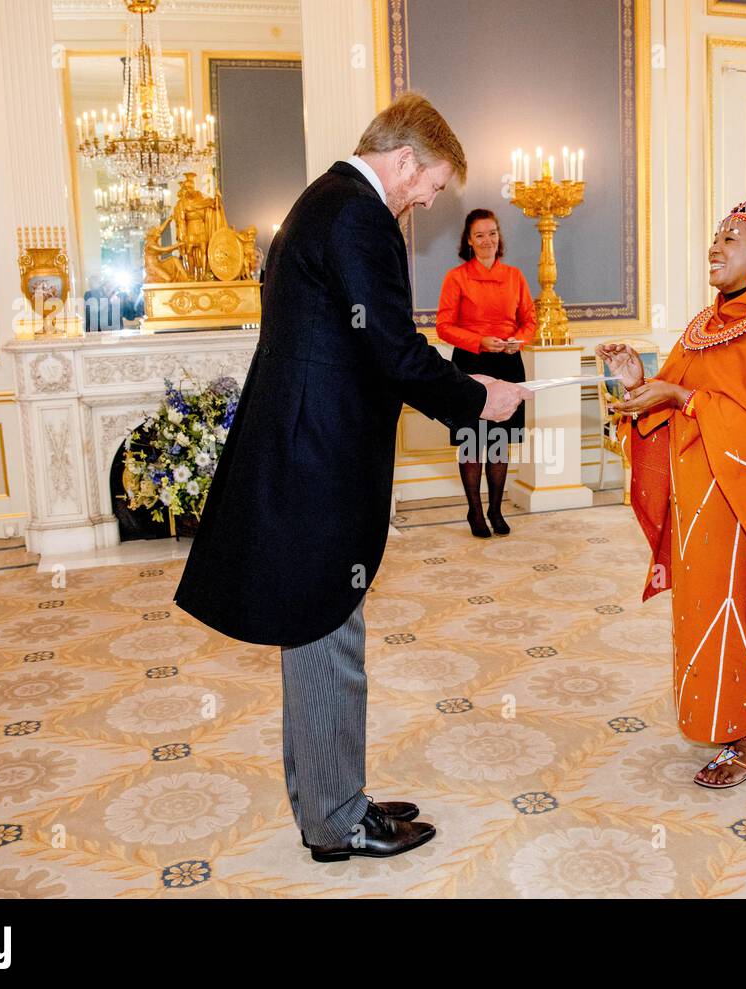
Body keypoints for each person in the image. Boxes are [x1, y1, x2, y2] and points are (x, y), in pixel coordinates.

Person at [173, 93, 530, 861]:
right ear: (404, 160)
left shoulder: (323, 201)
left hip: (304, 449)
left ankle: (329, 800)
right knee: (329, 632)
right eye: (432, 183)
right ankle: (339, 820)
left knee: (313, 632)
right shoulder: (359, 218)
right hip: (319, 462)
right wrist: (480, 396)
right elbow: (393, 353)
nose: (431, 200)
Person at [597, 200, 746, 790]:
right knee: (709, 605)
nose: (716, 246)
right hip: (698, 492)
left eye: (732, 238)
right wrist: (636, 381)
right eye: (716, 236)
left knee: (736, 604)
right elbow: (673, 389)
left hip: (745, 495)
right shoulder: (708, 322)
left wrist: (680, 399)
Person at [436, 209, 536, 537]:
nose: (487, 240)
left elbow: (529, 322)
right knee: (471, 442)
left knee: (499, 442)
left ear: (499, 236)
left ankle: (495, 509)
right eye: (479, 235)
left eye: (492, 233)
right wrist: (480, 341)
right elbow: (444, 327)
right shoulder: (456, 277)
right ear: (469, 240)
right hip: (470, 365)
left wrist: (516, 341)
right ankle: (475, 511)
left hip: (507, 364)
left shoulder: (515, 276)